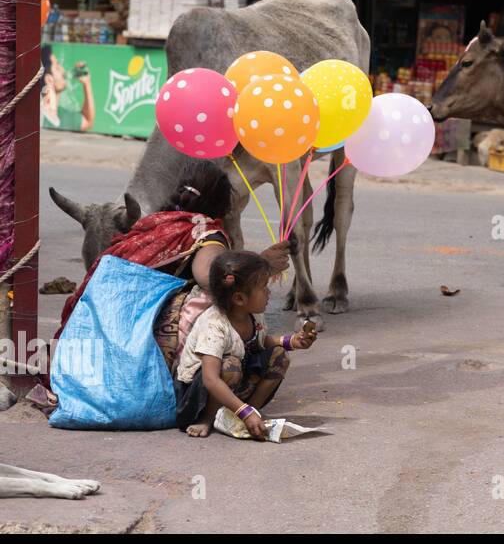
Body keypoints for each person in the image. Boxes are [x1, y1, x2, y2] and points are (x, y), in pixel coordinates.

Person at [50, 161, 295, 384]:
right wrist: (261, 264)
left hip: (106, 341)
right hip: (151, 353)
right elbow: (211, 276)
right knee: (230, 312)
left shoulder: (154, 223)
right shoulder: (205, 233)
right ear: (222, 202)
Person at [173, 249, 317, 438]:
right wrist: (243, 411)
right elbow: (210, 378)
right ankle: (208, 418)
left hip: (234, 382)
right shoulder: (214, 325)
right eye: (264, 287)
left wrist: (292, 341)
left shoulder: (253, 314)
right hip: (198, 396)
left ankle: (251, 412)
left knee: (279, 355)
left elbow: (255, 343)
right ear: (240, 298)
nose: (269, 292)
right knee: (230, 365)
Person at [40, 46, 94, 131]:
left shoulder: (61, 114)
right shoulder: (39, 117)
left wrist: (87, 84)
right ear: (49, 79)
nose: (63, 70)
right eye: (57, 68)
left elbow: (88, 122)